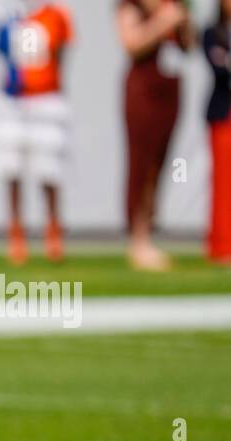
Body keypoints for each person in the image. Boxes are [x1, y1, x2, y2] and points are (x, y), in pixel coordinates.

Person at [0, 2, 74, 264]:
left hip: (45, 97)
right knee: (12, 166)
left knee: (49, 168)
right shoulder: (7, 11)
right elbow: (0, 48)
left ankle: (53, 229)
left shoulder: (57, 12)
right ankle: (16, 231)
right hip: (14, 99)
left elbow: (60, 54)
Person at [117, 0, 194, 272]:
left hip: (168, 89)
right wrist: (162, 22)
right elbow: (131, 43)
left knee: (159, 165)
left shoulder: (175, 5)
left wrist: (183, 22)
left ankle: (149, 232)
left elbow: (189, 46)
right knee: (140, 163)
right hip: (143, 90)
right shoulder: (131, 6)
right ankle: (138, 239)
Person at [204, 0, 231, 263]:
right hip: (224, 114)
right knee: (223, 182)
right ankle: (221, 245)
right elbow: (219, 67)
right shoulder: (214, 32)